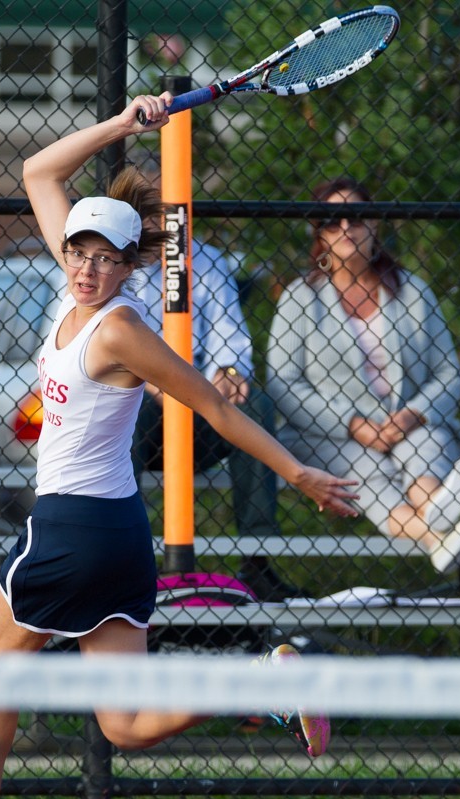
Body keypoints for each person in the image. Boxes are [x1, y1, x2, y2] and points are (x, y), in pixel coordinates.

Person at [0, 93, 361, 799]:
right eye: (79, 250)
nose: (88, 265)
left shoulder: (120, 326)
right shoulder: (72, 294)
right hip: (118, 539)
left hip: (71, 532)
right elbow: (37, 169)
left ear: (130, 265)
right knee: (122, 725)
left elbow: (215, 407)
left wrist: (297, 473)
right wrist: (126, 123)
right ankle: (256, 683)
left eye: (105, 257)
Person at [267, 177, 460, 576]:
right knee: (364, 470)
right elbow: (283, 384)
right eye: (331, 222)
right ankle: (439, 531)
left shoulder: (413, 292)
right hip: (327, 434)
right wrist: (353, 424)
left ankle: (435, 516)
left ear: (374, 225)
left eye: (355, 218)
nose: (345, 229)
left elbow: (448, 373)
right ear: (319, 234)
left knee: (425, 439)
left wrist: (412, 415)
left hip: (404, 424)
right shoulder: (299, 298)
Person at [126, 148, 296, 601]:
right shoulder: (115, 266)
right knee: (126, 406)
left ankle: (258, 559)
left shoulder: (206, 260)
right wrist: (158, 383)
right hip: (146, 413)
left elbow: (230, 336)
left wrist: (228, 371)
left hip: (199, 407)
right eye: (146, 207)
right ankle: (130, 560)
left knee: (254, 403)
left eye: (166, 205)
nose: (156, 219)